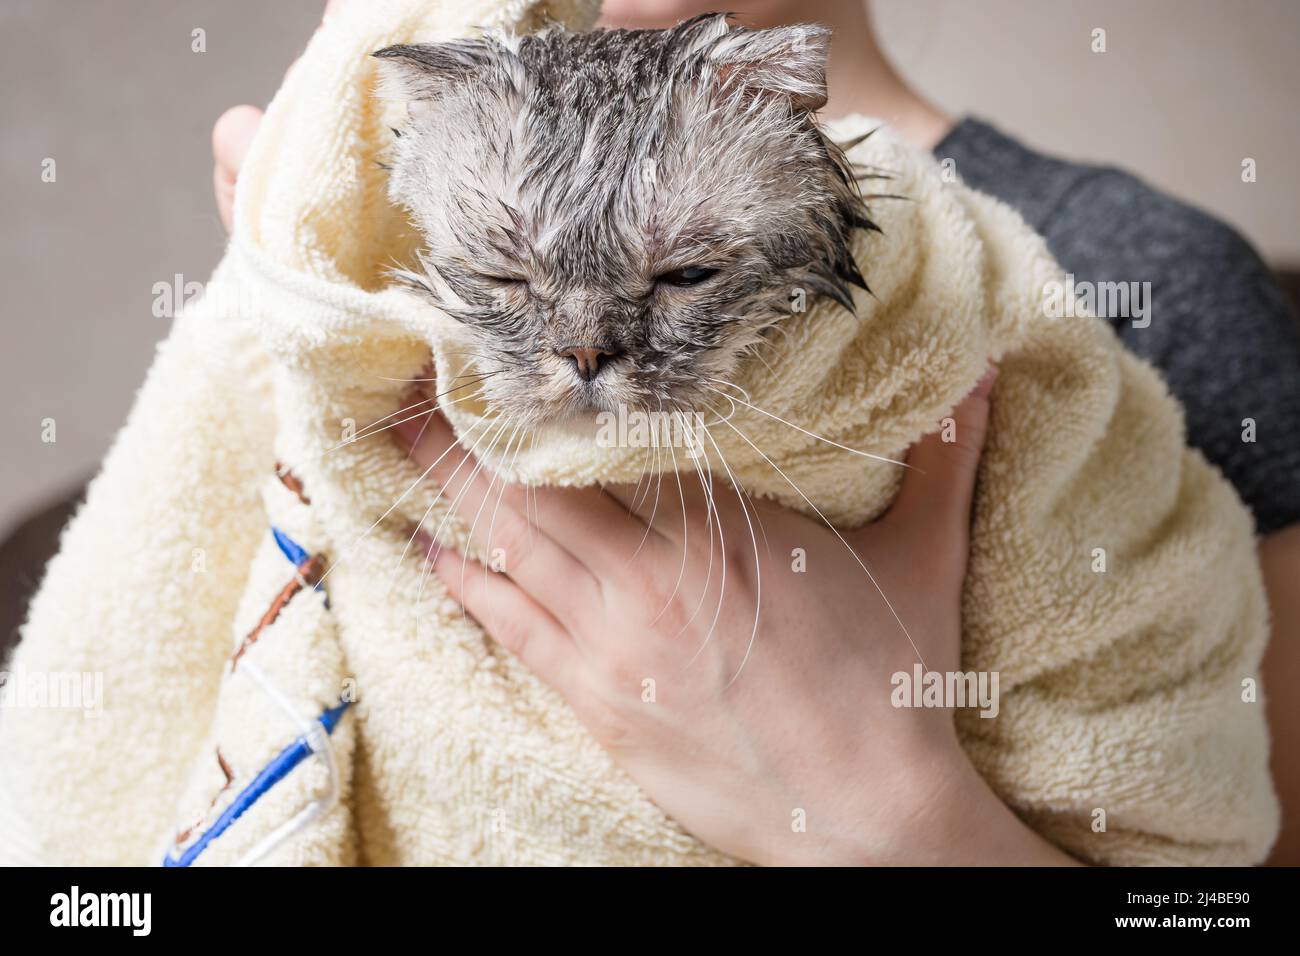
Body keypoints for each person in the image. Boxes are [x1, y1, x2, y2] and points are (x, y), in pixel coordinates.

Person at [212, 0, 1300, 865]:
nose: (587, 352)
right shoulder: (381, 211)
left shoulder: (1153, 275)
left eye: (685, 271)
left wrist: (886, 810)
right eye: (503, 272)